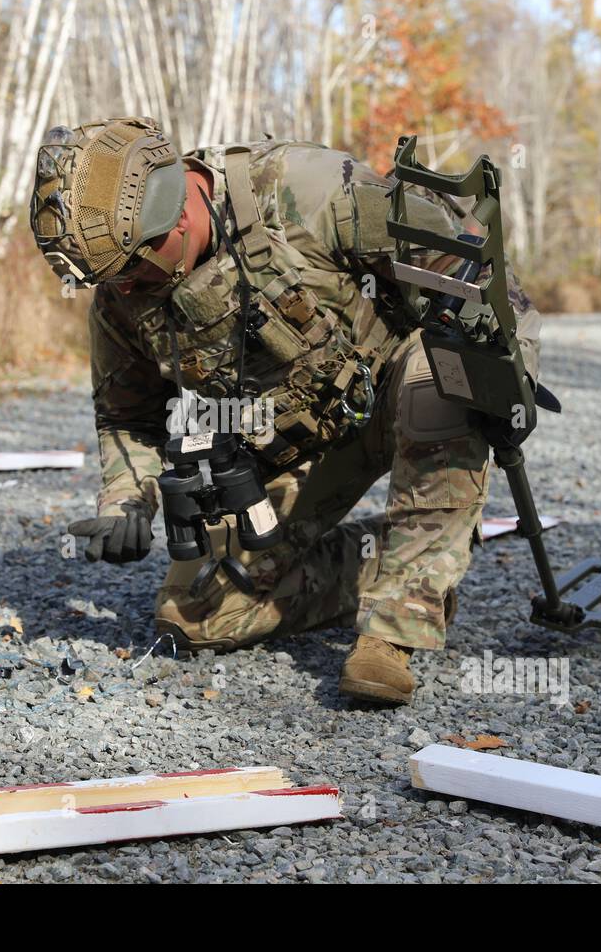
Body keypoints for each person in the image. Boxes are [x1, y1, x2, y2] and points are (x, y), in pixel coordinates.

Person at [30, 117, 542, 705]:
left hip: (400, 379)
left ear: (176, 216)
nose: (121, 290)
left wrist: (508, 377)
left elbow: (483, 283)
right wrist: (127, 501)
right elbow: (127, 418)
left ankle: (393, 630)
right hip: (302, 436)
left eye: (131, 269)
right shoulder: (124, 294)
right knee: (195, 611)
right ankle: (412, 557)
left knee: (446, 373)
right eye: (108, 279)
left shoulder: (309, 190)